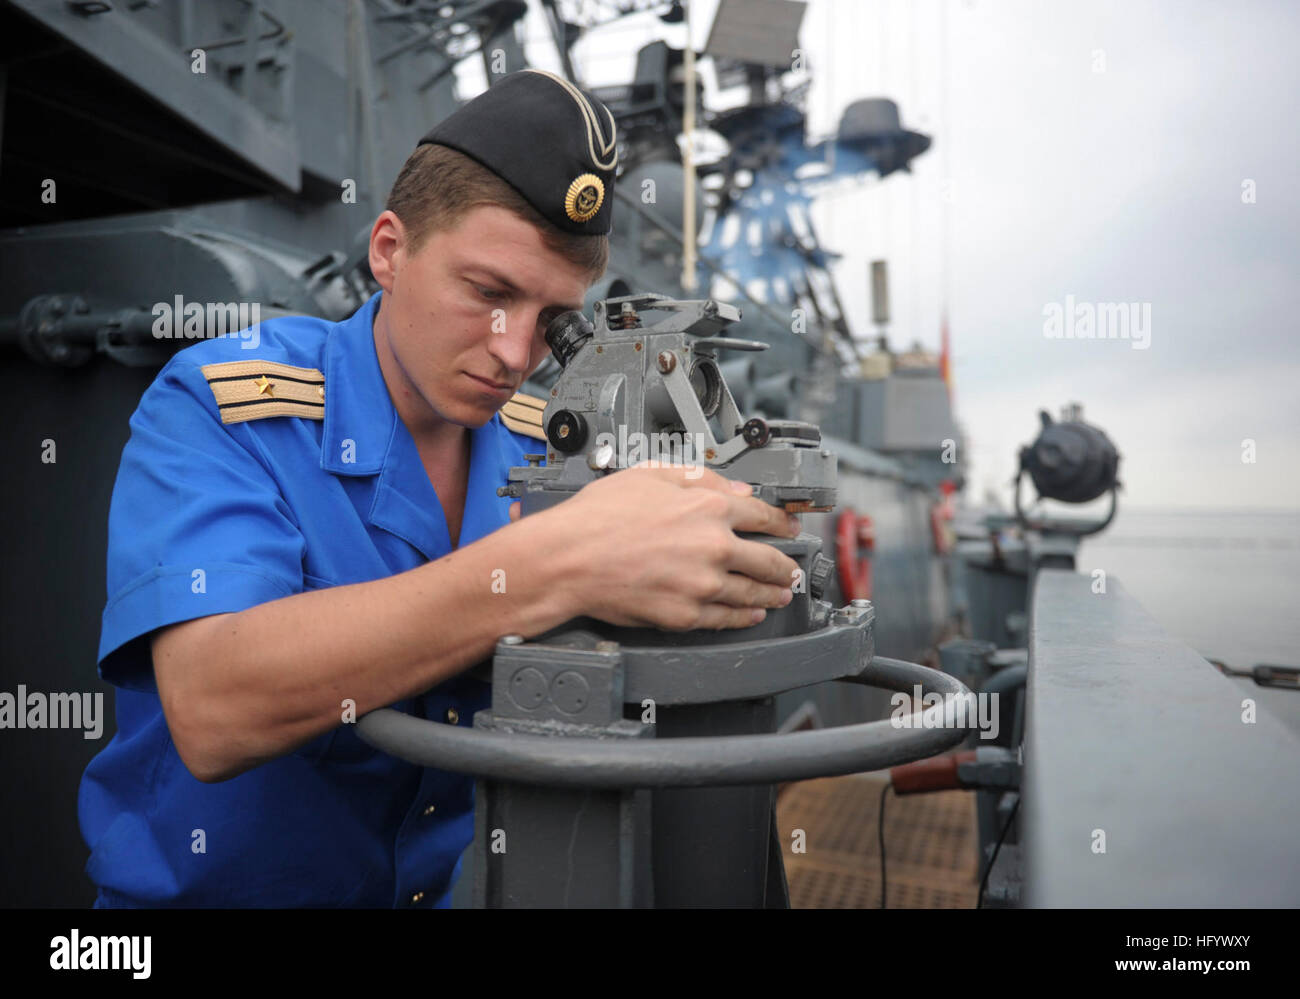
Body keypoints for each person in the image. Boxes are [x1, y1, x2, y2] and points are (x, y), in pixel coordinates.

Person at [78, 69, 800, 908]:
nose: (513, 351)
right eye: (488, 294)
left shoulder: (544, 443)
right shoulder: (227, 404)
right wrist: (558, 562)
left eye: (552, 319)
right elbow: (214, 705)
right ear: (389, 249)